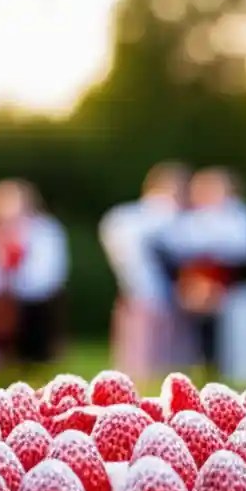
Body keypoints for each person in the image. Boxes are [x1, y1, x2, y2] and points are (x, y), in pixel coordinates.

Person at [156, 167, 246, 383]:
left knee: (241, 351)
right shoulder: (192, 220)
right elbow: (177, 249)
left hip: (237, 292)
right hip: (198, 293)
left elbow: (243, 251)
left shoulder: (242, 219)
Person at [99, 162, 188, 381]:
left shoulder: (125, 216)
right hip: (153, 293)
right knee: (152, 355)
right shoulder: (164, 213)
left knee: (135, 351)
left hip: (135, 291)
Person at [0, 179, 69, 366]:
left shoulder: (44, 229)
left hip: (38, 298)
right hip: (5, 301)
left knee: (39, 351)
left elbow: (48, 269)